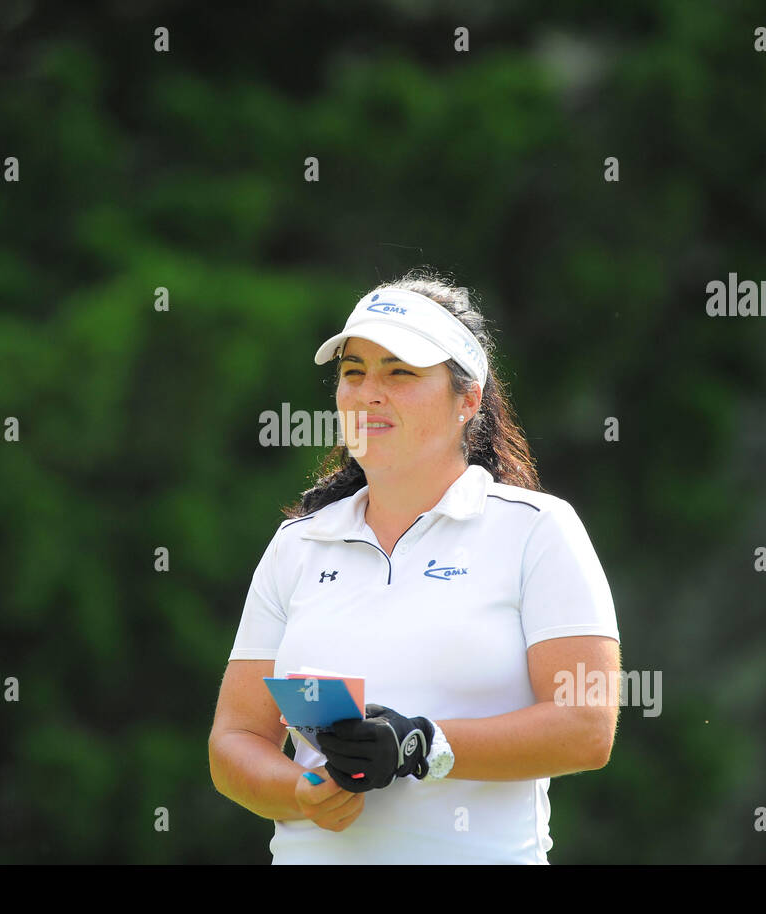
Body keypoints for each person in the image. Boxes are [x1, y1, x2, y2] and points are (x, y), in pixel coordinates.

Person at [208, 271, 621, 864]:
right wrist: (301, 793)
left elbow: (587, 725)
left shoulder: (537, 530)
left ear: (468, 399)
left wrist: (420, 746)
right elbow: (236, 741)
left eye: (399, 372)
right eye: (354, 372)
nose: (368, 392)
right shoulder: (297, 546)